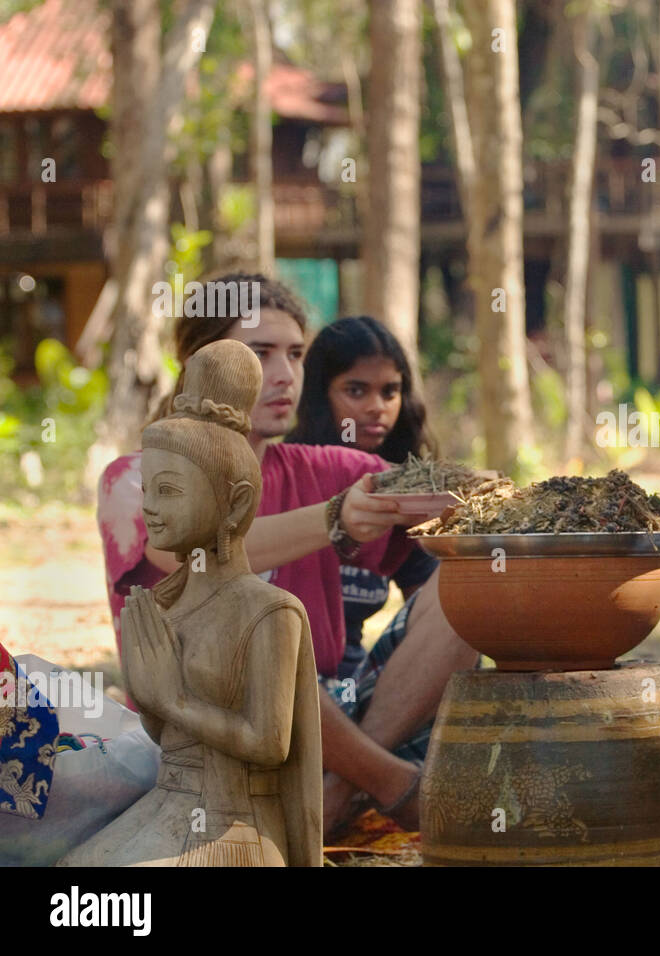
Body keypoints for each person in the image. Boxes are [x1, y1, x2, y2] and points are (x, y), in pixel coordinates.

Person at [96, 273, 479, 836]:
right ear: (203, 364)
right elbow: (196, 553)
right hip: (212, 734)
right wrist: (333, 519)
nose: (284, 376)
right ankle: (395, 787)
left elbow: (451, 496)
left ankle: (335, 793)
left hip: (338, 723)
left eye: (296, 355)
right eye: (260, 354)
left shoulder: (330, 469)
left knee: (466, 587)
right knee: (252, 626)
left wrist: (479, 496)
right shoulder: (135, 477)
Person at [64, 340, 321, 865]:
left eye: (170, 490)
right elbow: (167, 737)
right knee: (72, 872)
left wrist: (173, 698)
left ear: (236, 503)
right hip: (170, 804)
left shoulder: (269, 611)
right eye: (146, 491)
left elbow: (270, 742)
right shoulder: (167, 606)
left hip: (237, 826)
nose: (150, 510)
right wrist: (151, 696)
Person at [285, 315, 441, 683]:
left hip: (353, 686)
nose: (377, 407)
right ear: (320, 392)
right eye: (356, 391)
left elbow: (431, 611)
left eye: (390, 391)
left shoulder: (401, 493)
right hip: (281, 684)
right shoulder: (283, 473)